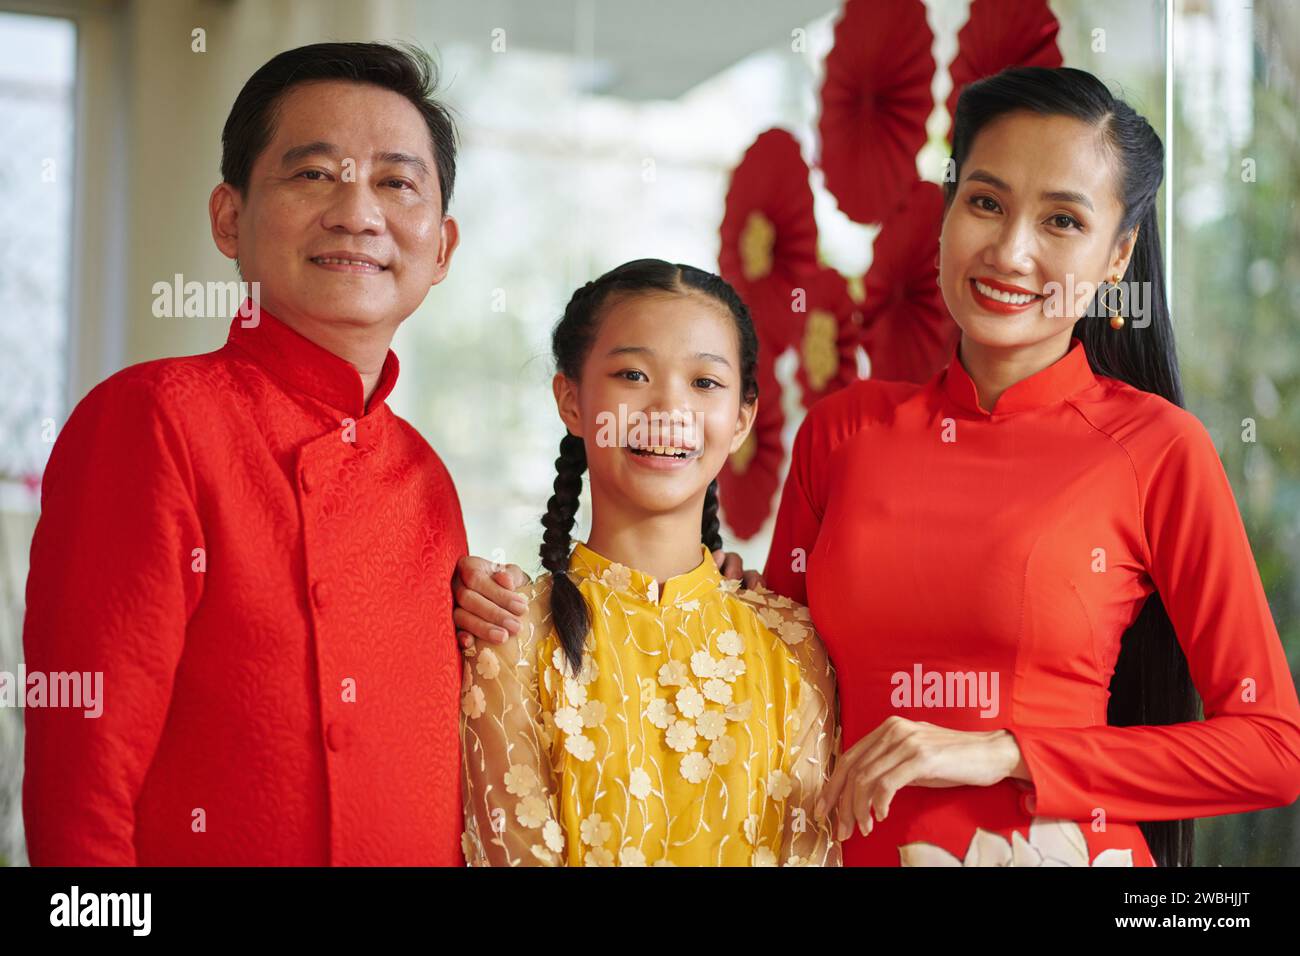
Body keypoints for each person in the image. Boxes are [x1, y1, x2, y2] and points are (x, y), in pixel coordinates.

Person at [455, 67, 1300, 867]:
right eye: (985, 201)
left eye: (1063, 221)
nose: (1009, 250)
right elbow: (772, 669)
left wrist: (1000, 753)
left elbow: (1274, 747)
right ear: (947, 210)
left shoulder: (1156, 448)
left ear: (1118, 258)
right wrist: (517, 605)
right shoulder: (845, 431)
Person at [23, 42, 467, 865]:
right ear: (229, 219)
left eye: (396, 182)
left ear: (440, 248)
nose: (357, 213)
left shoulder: (428, 482)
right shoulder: (153, 418)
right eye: (313, 174)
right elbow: (84, 773)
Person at [458, 259, 841, 866]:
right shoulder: (509, 630)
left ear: (742, 419)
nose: (668, 406)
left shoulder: (795, 645)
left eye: (705, 383)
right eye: (632, 374)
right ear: (571, 400)